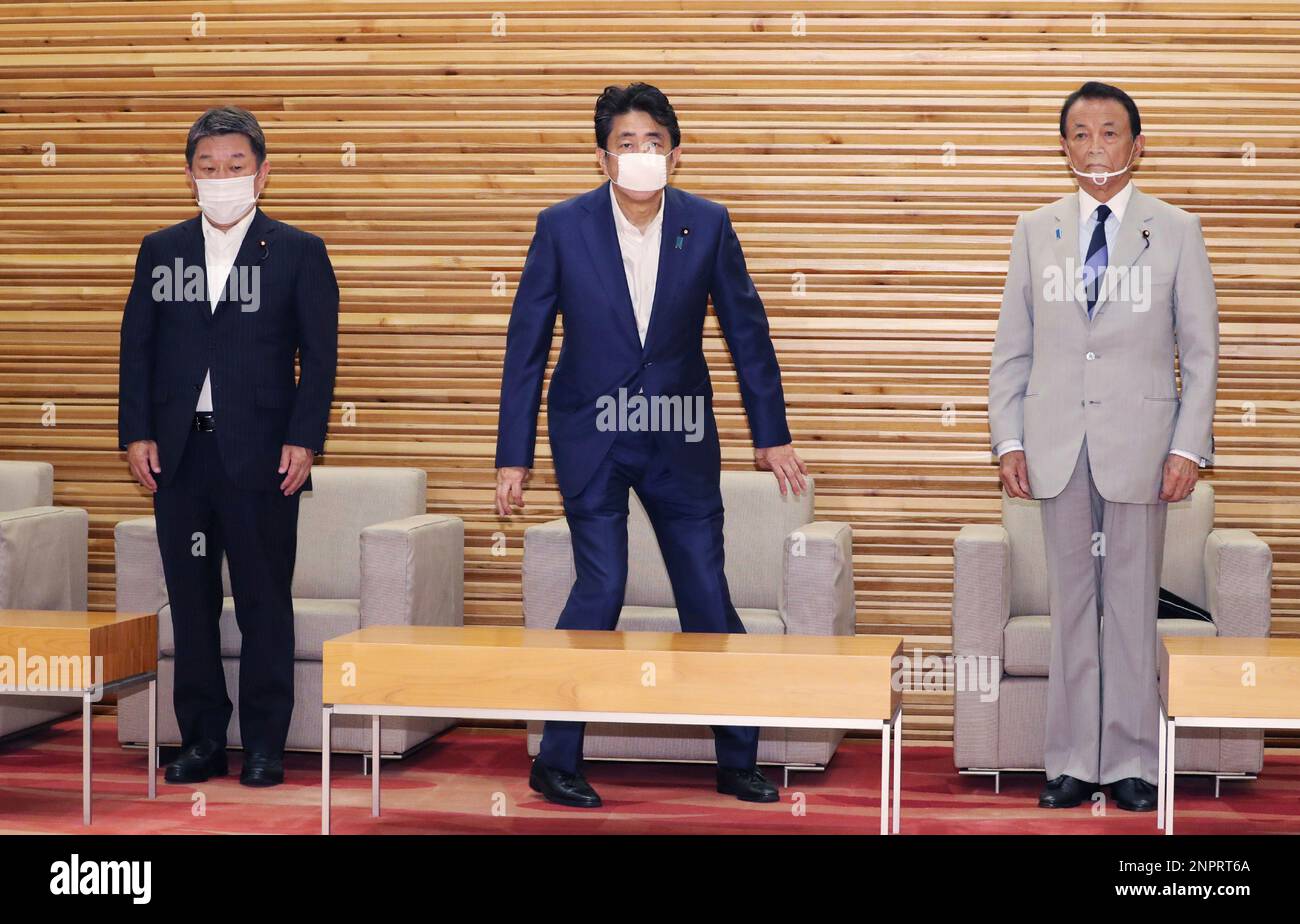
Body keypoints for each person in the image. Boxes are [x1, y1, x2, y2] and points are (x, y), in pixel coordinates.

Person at [494, 83, 808, 808]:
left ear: (675, 150)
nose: (641, 155)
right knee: (600, 586)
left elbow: (747, 330)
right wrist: (514, 454)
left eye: (655, 142)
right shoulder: (562, 226)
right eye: (627, 143)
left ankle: (736, 760)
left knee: (705, 592)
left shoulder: (707, 222)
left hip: (680, 438)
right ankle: (556, 757)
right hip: (590, 434)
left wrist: (772, 435)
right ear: (603, 155)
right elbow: (527, 345)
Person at [988, 82, 1218, 811]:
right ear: (1063, 148)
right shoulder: (1036, 229)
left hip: (1144, 448)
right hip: (1056, 445)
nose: (1095, 148)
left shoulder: (1176, 228)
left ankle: (1130, 763)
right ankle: (1069, 763)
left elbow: (1202, 352)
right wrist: (1009, 436)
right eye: (1080, 135)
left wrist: (1189, 447)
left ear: (1136, 144)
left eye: (1110, 133)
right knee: (1071, 607)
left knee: (1129, 607)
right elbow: (1013, 348)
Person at [117, 106, 339, 787]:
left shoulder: (298, 251)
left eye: (235, 167)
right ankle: (202, 740)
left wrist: (305, 438)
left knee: (265, 599)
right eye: (208, 168)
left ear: (262, 174)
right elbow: (138, 348)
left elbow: (320, 356)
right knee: (190, 601)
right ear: (190, 177)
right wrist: (136, 432)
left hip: (264, 458)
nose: (222, 178)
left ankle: (266, 744)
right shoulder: (163, 250)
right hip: (181, 459)